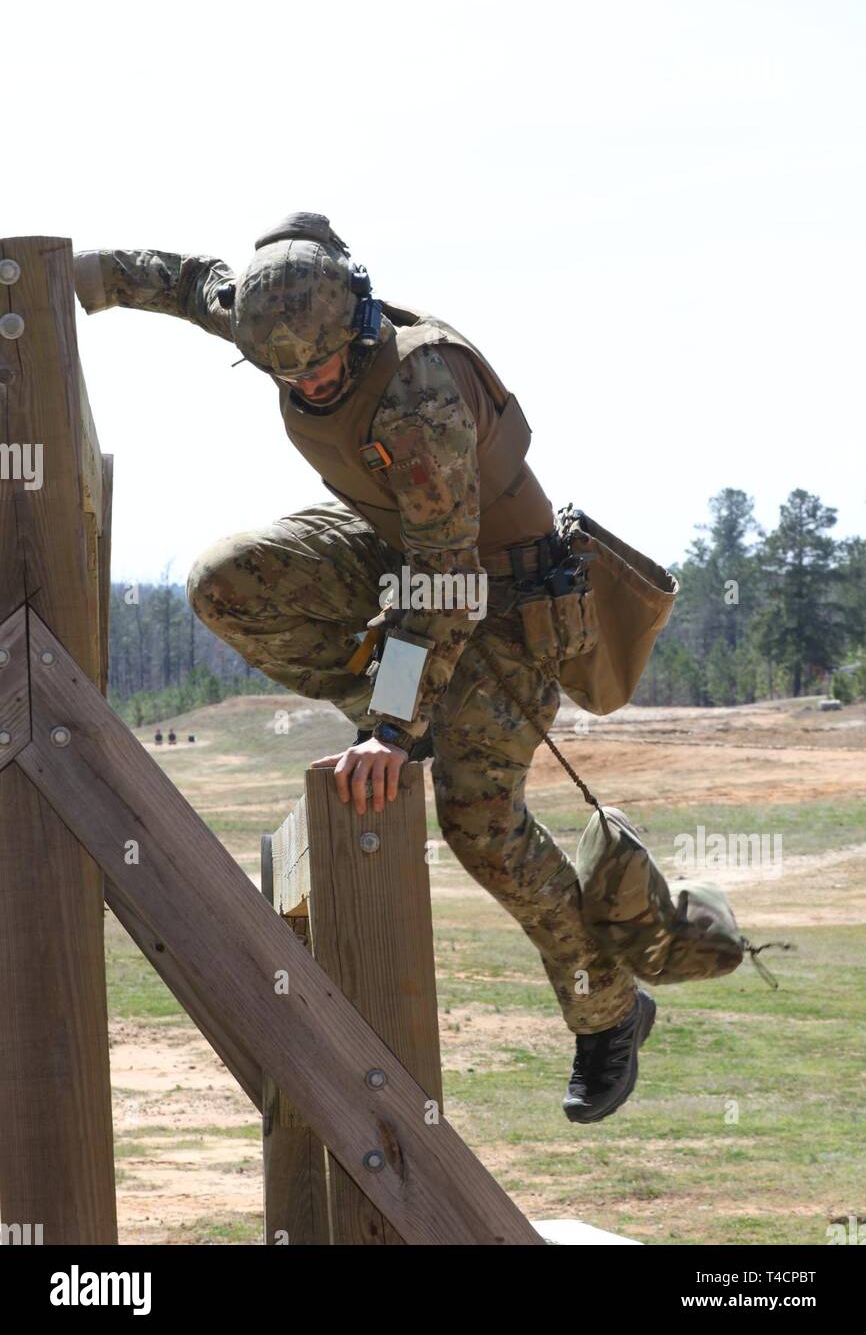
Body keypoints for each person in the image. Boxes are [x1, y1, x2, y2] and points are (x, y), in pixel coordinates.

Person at [73, 213, 682, 1124]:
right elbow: (184, 278)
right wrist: (67, 281)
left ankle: (608, 1013)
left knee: (482, 823)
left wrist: (393, 729)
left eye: (322, 367)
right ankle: (404, 715)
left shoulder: (420, 394)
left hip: (506, 606)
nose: (309, 382)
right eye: (287, 374)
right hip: (397, 553)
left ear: (355, 318)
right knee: (227, 583)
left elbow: (447, 583)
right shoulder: (273, 315)